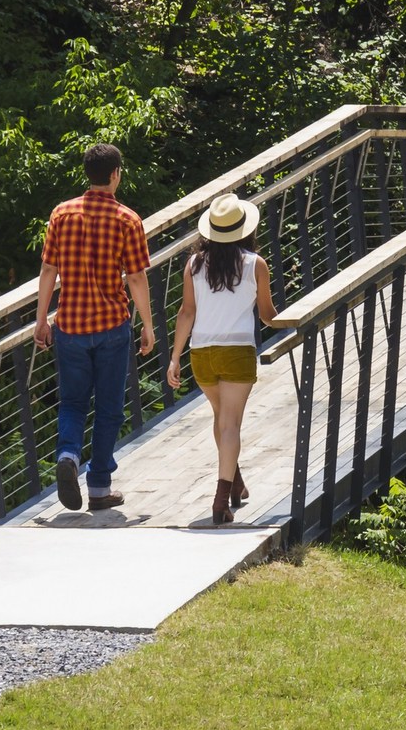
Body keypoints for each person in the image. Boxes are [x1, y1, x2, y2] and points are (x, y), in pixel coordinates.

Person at [33, 144, 156, 512]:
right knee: (109, 409)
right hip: (111, 327)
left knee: (72, 403)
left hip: (69, 326)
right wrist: (148, 325)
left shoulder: (61, 214)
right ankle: (99, 487)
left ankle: (68, 455)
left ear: (87, 174)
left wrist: (41, 320)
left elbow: (48, 270)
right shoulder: (127, 219)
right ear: (115, 174)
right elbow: (136, 277)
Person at [165, 193, 276, 525]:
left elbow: (186, 312)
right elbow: (267, 315)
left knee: (221, 419)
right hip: (237, 352)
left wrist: (174, 358)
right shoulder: (255, 264)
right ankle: (220, 501)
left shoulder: (195, 265)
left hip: (201, 353)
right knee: (230, 424)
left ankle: (235, 482)